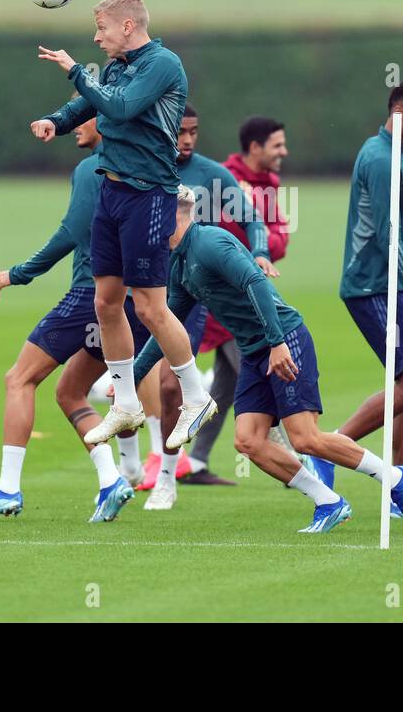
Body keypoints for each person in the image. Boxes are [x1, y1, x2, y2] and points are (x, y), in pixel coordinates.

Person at [132, 187, 403, 533]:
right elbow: (167, 328)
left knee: (305, 439)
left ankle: (396, 478)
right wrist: (132, 377)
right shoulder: (179, 264)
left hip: (284, 339)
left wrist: (277, 342)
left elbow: (255, 280)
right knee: (248, 441)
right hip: (255, 351)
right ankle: (328, 502)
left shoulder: (209, 242)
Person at [33, 0, 216, 453]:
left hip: (148, 195)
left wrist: (76, 70)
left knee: (150, 308)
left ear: (129, 26)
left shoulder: (163, 64)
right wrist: (56, 120)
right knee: (107, 302)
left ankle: (197, 397)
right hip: (112, 192)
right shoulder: (117, 65)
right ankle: (126, 403)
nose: (97, 38)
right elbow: (90, 105)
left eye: (102, 28)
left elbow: (118, 107)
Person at [0, 117, 155, 522]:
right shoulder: (144, 163)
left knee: (19, 379)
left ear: (104, 118)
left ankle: (7, 489)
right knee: (70, 392)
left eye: (81, 115)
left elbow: (72, 231)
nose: (73, 124)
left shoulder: (93, 168)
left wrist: (19, 273)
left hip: (92, 297)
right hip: (134, 305)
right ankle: (111, 481)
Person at [136, 104, 278, 509]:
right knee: (129, 380)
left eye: (194, 132)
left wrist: (261, 252)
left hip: (188, 291)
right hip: (144, 289)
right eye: (180, 132)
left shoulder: (212, 174)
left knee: (170, 385)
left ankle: (167, 477)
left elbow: (252, 220)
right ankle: (128, 469)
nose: (187, 139)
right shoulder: (141, 168)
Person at [330, 81, 403, 487]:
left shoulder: (400, 156)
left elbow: (398, 239)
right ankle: (327, 448)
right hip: (371, 288)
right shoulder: (380, 158)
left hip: (395, 284)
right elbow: (387, 237)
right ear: (399, 113)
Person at [185, 115, 292, 486]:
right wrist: (253, 243)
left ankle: (192, 461)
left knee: (226, 384)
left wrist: (257, 244)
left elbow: (278, 240)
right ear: (255, 147)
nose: (284, 152)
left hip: (247, 292)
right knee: (268, 372)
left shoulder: (269, 185)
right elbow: (219, 240)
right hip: (226, 299)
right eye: (277, 145)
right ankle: (296, 463)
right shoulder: (223, 179)